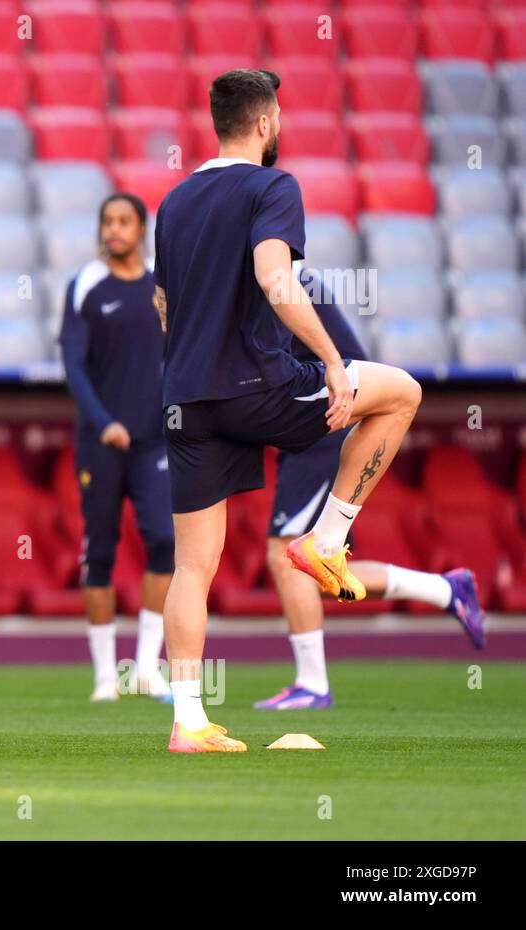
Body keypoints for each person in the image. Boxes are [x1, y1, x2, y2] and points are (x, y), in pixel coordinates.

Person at [153, 69, 423, 752]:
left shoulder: (176, 200)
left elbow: (163, 306)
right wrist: (332, 362)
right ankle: (328, 538)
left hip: (186, 400)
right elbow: (276, 276)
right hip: (258, 387)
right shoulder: (274, 186)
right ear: (266, 123)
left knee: (194, 567)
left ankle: (188, 723)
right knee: (402, 394)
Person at [256, 264, 484, 710]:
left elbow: (355, 366)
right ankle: (447, 590)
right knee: (322, 572)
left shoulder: (288, 284)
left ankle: (313, 684)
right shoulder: (260, 280)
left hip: (323, 431)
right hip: (307, 432)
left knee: (285, 555)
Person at [58, 192, 173, 704]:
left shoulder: (161, 287)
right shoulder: (85, 285)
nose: (115, 230)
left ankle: (147, 667)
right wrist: (104, 423)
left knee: (165, 540)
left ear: (142, 229)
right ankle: (106, 675)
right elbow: (74, 366)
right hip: (100, 443)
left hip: (155, 440)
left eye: (124, 221)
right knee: (99, 552)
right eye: (108, 221)